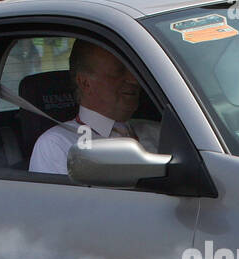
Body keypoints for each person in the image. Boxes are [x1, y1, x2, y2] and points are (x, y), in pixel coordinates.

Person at [29, 40, 161, 176]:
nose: (134, 79)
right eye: (118, 71)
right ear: (85, 83)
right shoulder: (58, 145)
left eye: (133, 69)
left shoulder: (160, 132)